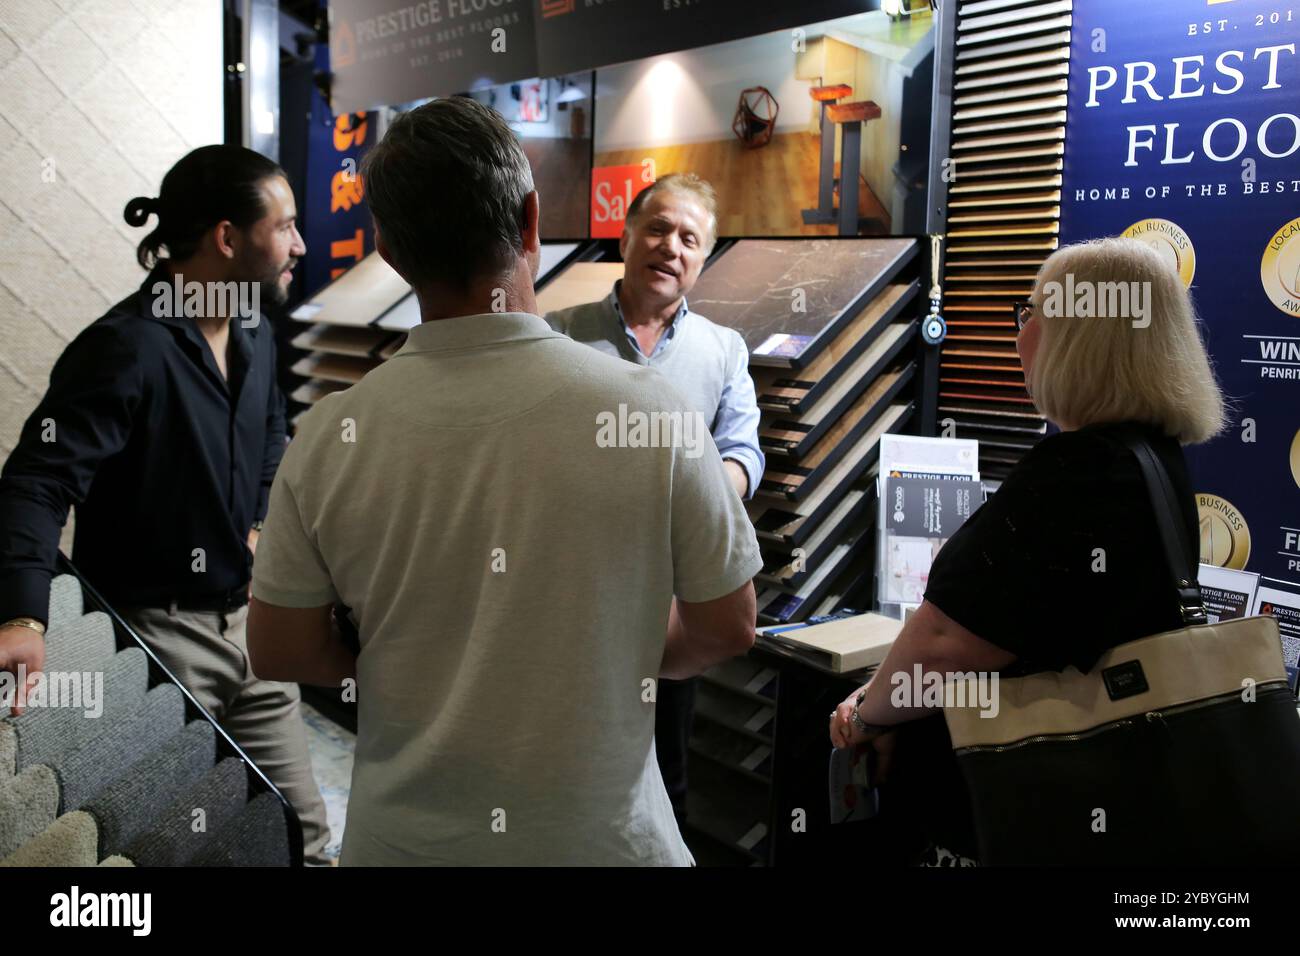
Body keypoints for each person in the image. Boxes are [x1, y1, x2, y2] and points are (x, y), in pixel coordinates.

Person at [245, 96, 763, 866]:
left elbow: (282, 647)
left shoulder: (328, 435)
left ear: (385, 247)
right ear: (529, 222)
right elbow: (727, 628)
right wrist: (606, 655)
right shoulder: (652, 410)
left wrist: (393, 670)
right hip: (605, 845)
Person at [828, 236, 1226, 859]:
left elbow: (943, 646)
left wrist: (869, 714)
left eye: (1031, 310)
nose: (1021, 330)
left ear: (1077, 336)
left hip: (1009, 810)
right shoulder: (1152, 461)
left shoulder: (1076, 471)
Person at [0, 145, 332, 865]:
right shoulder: (125, 348)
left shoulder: (253, 331)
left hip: (253, 626)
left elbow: (272, 433)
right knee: (178, 845)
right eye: (286, 227)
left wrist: (259, 522)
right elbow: (36, 480)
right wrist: (22, 613)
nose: (299, 246)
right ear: (226, 237)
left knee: (302, 835)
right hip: (159, 639)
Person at [545, 172, 764, 826]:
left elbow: (743, 451)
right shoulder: (557, 334)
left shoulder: (722, 351)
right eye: (659, 228)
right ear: (627, 234)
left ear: (702, 260)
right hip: (568, 594)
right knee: (560, 758)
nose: (671, 246)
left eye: (689, 239)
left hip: (670, 596)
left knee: (665, 775)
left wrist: (702, 499)